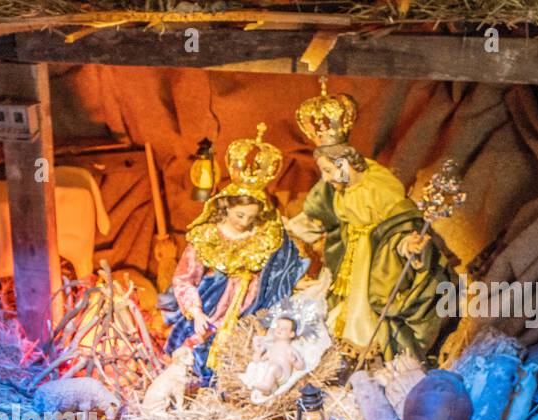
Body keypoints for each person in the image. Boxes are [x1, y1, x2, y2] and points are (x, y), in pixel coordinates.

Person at [286, 79, 455, 363]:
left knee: (366, 309)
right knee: (337, 305)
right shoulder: (336, 189)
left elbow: (398, 225)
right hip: (349, 255)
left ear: (344, 163)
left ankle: (367, 353)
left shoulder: (380, 186)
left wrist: (405, 246)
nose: (326, 178)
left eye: (328, 171)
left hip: (377, 261)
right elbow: (320, 219)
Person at [162, 124, 305, 385]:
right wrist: (196, 312)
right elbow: (184, 278)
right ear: (225, 207)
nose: (244, 222)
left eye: (251, 218)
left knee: (253, 362)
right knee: (197, 354)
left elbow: (283, 270)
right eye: (240, 215)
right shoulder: (207, 236)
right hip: (212, 308)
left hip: (251, 310)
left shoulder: (266, 235)